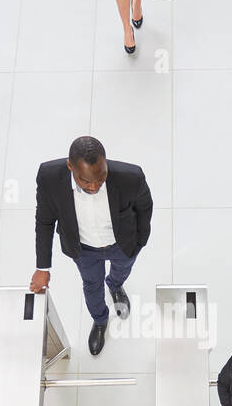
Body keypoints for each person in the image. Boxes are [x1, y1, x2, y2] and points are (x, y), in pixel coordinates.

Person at [29, 136, 153, 356]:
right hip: (84, 249)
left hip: (121, 244)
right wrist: (42, 268)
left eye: (101, 177)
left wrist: (140, 240)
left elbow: (144, 208)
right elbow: (45, 221)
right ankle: (100, 320)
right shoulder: (49, 178)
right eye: (85, 181)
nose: (94, 185)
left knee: (122, 270)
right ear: (70, 167)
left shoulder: (131, 177)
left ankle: (115, 286)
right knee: (91, 285)